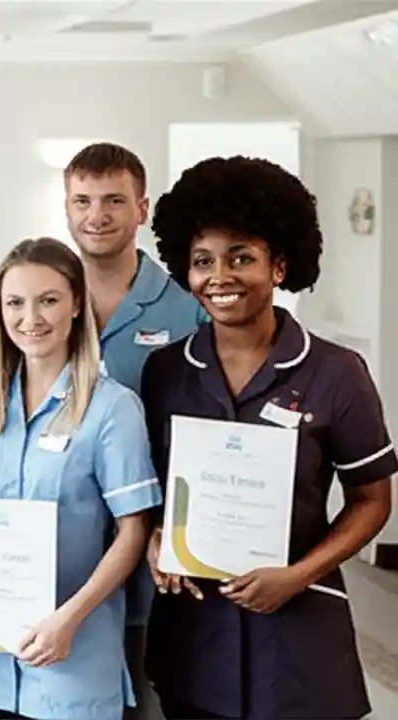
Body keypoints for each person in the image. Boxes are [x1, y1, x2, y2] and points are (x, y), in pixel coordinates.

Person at [142, 156, 395, 720]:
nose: (220, 276)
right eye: (203, 261)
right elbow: (154, 490)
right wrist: (158, 539)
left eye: (242, 258)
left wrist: (297, 575)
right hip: (195, 641)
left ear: (279, 266)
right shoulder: (164, 373)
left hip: (299, 641)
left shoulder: (336, 372)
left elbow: (372, 500)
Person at [0, 237, 161, 720]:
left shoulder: (111, 408)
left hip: (72, 663)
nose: (30, 318)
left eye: (48, 300)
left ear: (77, 304)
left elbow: (133, 531)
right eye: (15, 302)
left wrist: (68, 620)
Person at [61, 143, 207, 714]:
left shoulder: (185, 310)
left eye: (114, 201)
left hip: (153, 559)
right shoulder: (46, 303)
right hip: (62, 556)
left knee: (145, 701)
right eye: (83, 201)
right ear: (66, 208)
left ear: (142, 209)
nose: (96, 215)